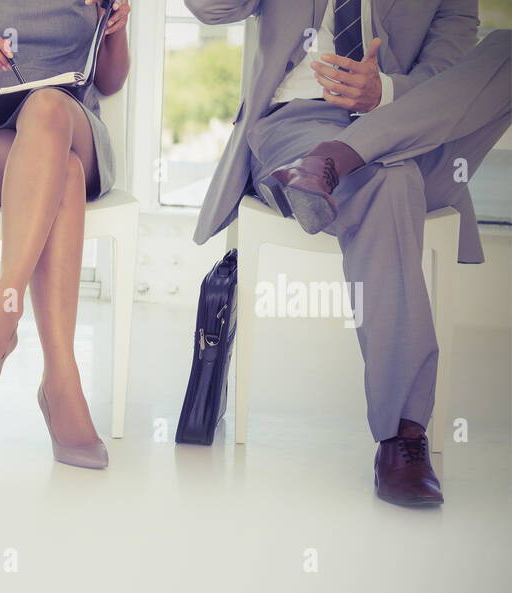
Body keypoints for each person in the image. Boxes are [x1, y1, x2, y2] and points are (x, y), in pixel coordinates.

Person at [185, 0, 511, 506]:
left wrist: (388, 93)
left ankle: (344, 155)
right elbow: (210, 8)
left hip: (421, 127)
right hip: (301, 125)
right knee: (391, 180)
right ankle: (403, 435)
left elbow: (448, 69)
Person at [0, 0, 131, 470]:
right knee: (67, 176)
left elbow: (111, 80)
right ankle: (61, 382)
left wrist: (117, 27)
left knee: (46, 108)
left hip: (71, 122)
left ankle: (6, 302)